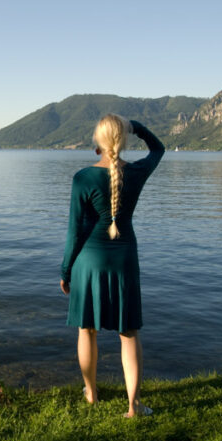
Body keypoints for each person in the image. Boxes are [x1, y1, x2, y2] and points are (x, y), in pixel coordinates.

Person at [59, 114, 164, 417]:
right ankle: (133, 406)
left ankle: (91, 393)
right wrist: (137, 126)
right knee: (128, 332)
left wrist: (66, 271)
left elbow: (74, 231)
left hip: (88, 261)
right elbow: (159, 149)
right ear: (124, 140)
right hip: (125, 259)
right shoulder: (138, 171)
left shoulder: (83, 178)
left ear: (97, 142)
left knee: (87, 330)